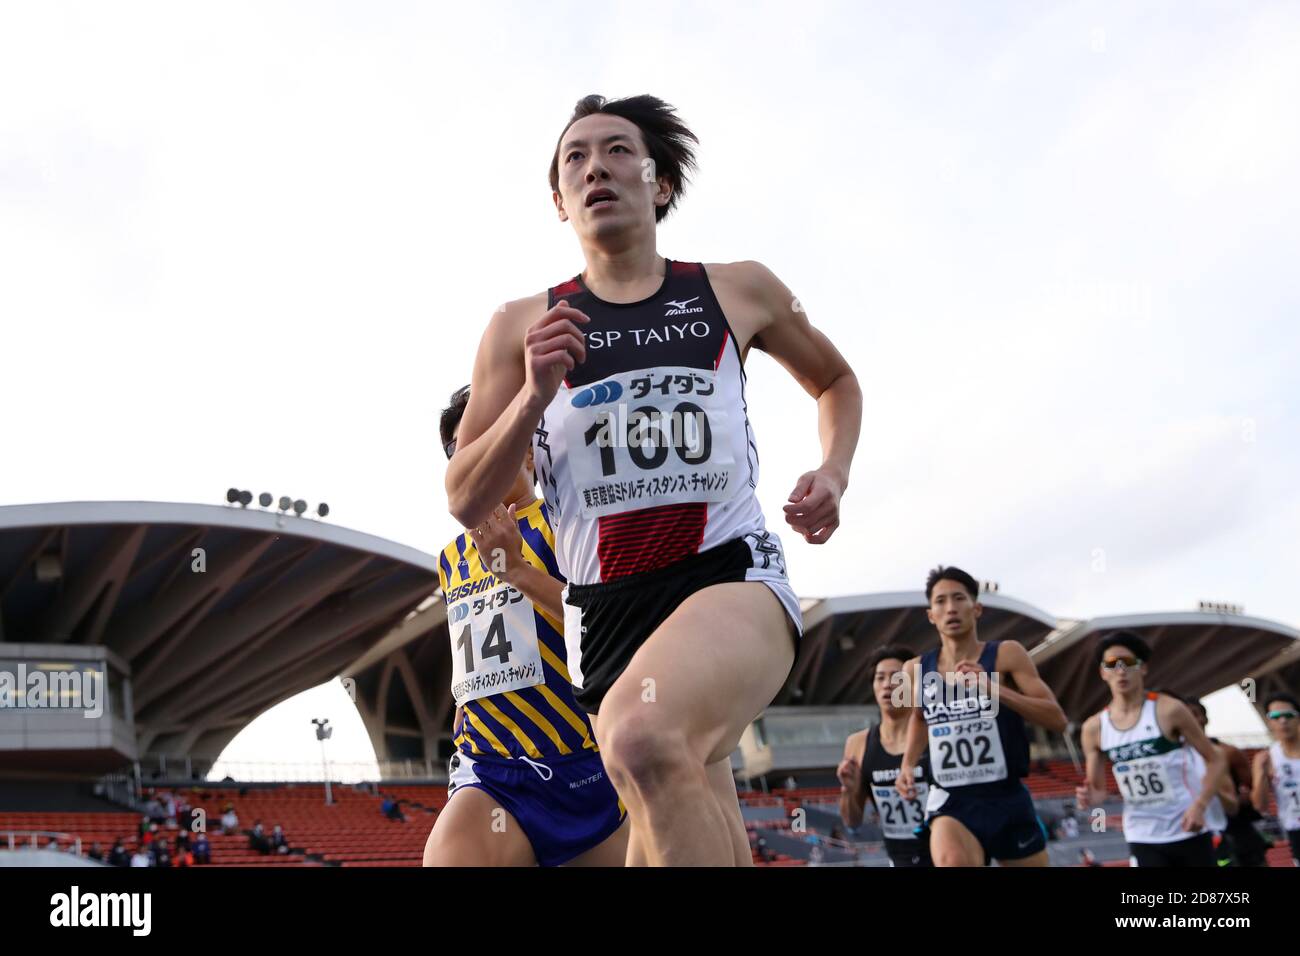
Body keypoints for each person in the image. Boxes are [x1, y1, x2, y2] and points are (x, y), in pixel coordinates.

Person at [444, 93, 861, 866]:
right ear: (559, 201)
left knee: (643, 738)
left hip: (727, 576)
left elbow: (835, 380)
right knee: (681, 804)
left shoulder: (739, 289)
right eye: (574, 158)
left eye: (615, 150)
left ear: (658, 182)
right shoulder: (517, 326)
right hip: (602, 615)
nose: (594, 166)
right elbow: (465, 496)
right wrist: (534, 394)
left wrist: (833, 469)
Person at [425, 385, 628, 867]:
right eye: (459, 448)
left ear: (531, 449)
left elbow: (603, 626)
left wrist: (515, 568)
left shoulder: (573, 522)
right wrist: (463, 701)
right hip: (491, 767)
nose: (476, 454)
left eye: (491, 435)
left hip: (584, 763)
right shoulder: (450, 558)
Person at [897, 566, 1066, 867]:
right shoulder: (915, 669)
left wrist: (995, 689)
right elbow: (920, 718)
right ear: (930, 614)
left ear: (976, 608)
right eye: (940, 601)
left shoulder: (1006, 655)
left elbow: (1056, 719)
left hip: (1007, 796)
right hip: (951, 800)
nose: (950, 607)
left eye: (958, 598)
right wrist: (907, 764)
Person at [1076, 632, 1227, 866]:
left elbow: (1216, 759)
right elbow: (1098, 791)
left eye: (1127, 662)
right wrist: (1090, 797)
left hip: (1187, 827)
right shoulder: (1094, 728)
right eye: (1111, 664)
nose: (1120, 670)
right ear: (1103, 672)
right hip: (1142, 833)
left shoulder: (1169, 711)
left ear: (1143, 668)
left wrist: (1200, 806)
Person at [838, 645, 932, 867]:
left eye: (897, 677)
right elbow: (852, 822)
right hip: (899, 859)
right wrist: (849, 791)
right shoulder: (857, 743)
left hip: (947, 852)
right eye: (880, 678)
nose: (888, 684)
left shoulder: (935, 732)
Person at [1252, 691, 1300, 866]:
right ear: (1269, 721)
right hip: (1296, 829)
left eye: (1288, 715)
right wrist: (1262, 776)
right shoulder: (1266, 758)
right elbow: (1260, 805)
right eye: (1276, 716)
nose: (1283, 721)